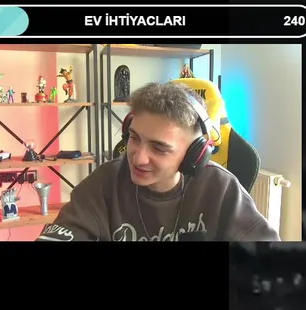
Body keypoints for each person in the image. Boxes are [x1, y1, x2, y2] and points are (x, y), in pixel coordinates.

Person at [37, 82, 279, 241]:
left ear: (195, 154)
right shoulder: (104, 182)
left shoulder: (220, 187)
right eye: (134, 138)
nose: (138, 157)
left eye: (159, 148)